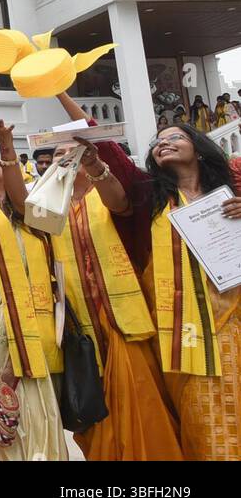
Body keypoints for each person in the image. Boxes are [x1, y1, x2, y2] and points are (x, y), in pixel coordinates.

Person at [49, 93, 182, 460]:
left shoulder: (106, 192)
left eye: (71, 153)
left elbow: (120, 201)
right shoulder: (48, 212)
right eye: (58, 156)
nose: (66, 160)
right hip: (81, 334)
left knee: (143, 410)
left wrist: (60, 89)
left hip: (123, 324)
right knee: (96, 422)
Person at [102, 122, 241, 460]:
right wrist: (60, 86)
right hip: (185, 334)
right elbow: (109, 155)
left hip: (234, 319)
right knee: (204, 423)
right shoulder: (150, 199)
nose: (163, 144)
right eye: (158, 142)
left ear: (198, 147)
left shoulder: (229, 192)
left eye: (174, 137)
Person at [0, 112, 67, 461]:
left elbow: (21, 197)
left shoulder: (35, 219)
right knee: (12, 417)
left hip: (43, 332)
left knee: (44, 415)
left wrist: (6, 148)